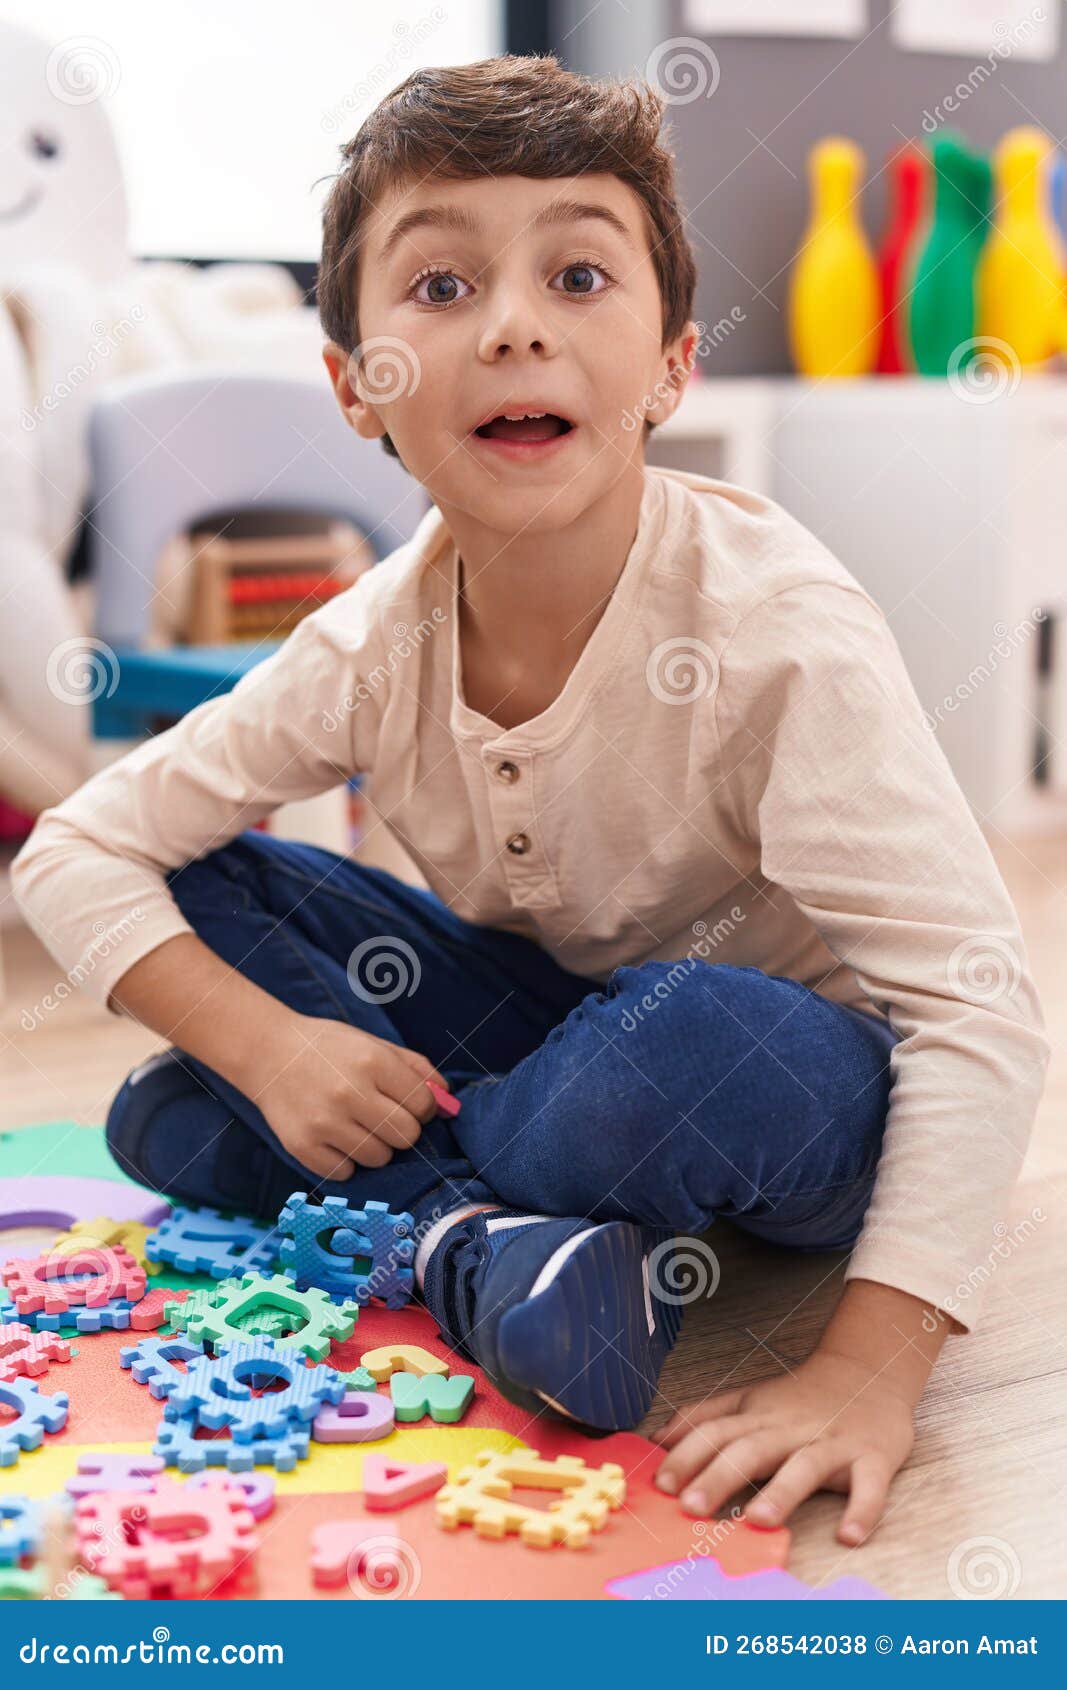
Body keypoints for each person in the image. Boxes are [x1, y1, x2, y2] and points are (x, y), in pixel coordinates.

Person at [11, 55, 1050, 1549]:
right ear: (353, 386)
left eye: (577, 274)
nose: (511, 326)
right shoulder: (367, 643)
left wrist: (872, 1371)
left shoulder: (775, 631)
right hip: (551, 1025)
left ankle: (366, 1189)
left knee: (677, 1031)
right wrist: (271, 1042)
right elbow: (84, 842)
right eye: (440, 287)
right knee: (208, 876)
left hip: (778, 1087)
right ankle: (470, 1237)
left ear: (674, 364)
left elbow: (974, 1003)